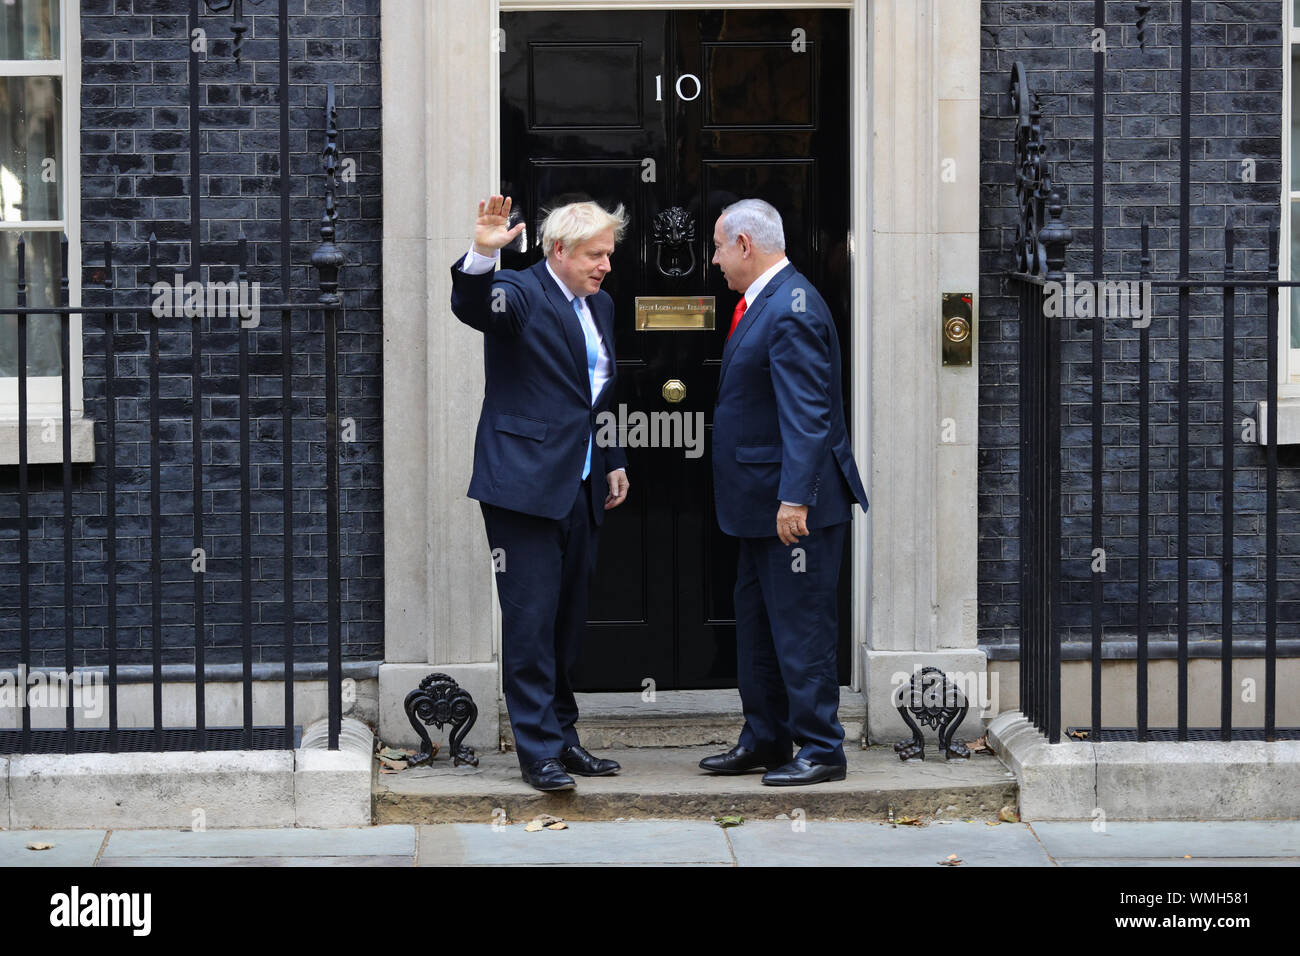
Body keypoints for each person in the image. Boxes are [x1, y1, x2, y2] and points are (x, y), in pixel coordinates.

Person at [450, 194, 630, 792]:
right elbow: (475, 306)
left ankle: (564, 737)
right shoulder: (522, 293)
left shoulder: (599, 305)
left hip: (580, 483)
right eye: (595, 255)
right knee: (530, 623)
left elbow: (594, 396)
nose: (605, 265)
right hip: (523, 486)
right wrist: (482, 252)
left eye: (608, 254)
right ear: (559, 250)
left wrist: (613, 459)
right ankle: (538, 752)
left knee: (567, 620)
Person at [699, 198, 868, 786]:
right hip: (757, 506)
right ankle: (767, 737)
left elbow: (809, 415)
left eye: (719, 245)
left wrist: (795, 496)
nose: (715, 259)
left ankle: (822, 748)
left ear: (745, 244)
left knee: (801, 630)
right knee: (759, 628)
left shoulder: (791, 307)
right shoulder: (766, 301)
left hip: (793, 509)